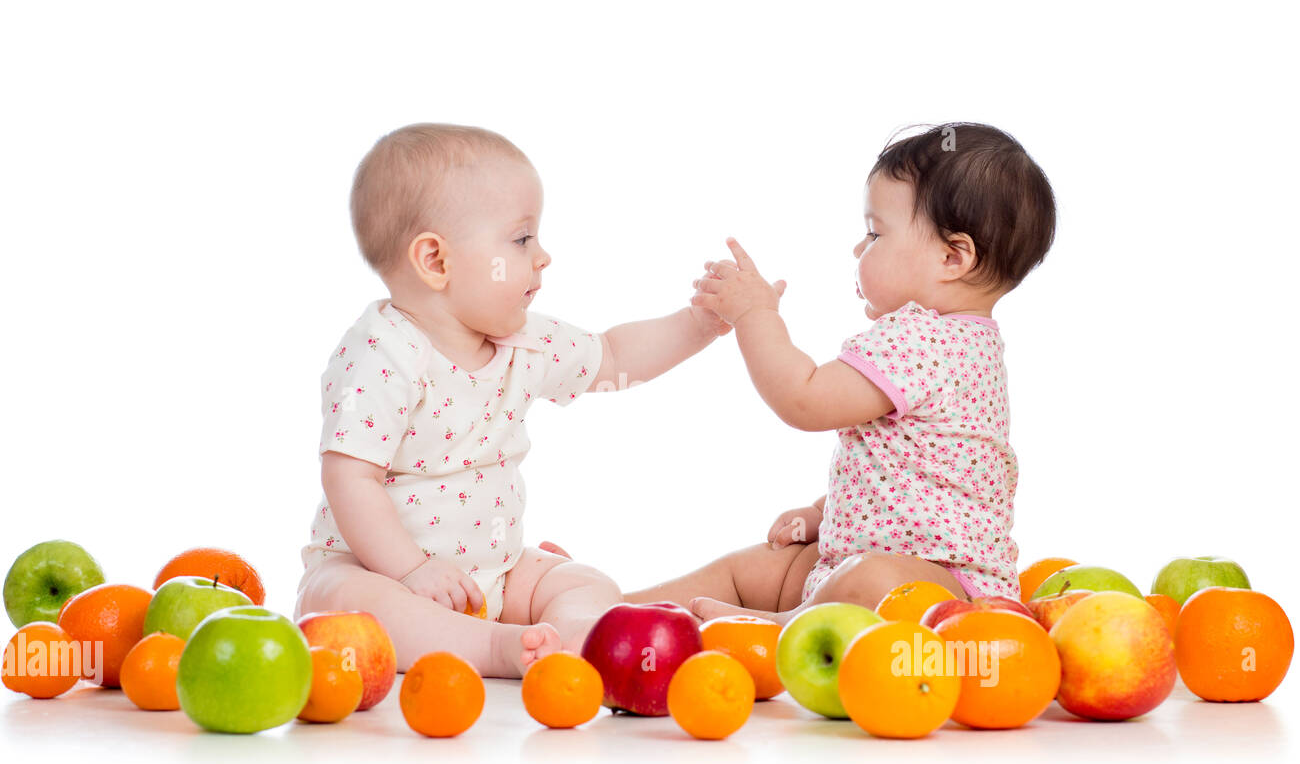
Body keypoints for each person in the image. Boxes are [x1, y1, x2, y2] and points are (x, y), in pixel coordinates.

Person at [295, 123, 732, 676]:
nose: (543, 256)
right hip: (380, 573)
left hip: (493, 574)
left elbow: (614, 358)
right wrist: (410, 570)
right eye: (522, 239)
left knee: (584, 581)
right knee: (342, 599)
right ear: (435, 260)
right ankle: (497, 650)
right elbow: (349, 478)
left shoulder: (525, 340)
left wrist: (698, 324)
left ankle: (569, 637)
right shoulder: (383, 354)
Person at [626, 122, 1056, 625]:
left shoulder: (923, 339)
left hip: (946, 596)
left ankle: (771, 630)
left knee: (871, 578)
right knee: (758, 568)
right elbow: (908, 472)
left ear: (951, 257)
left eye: (875, 233)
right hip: (864, 566)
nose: (859, 249)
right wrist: (824, 511)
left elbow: (805, 399)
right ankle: (617, 605)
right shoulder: (967, 343)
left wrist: (756, 316)